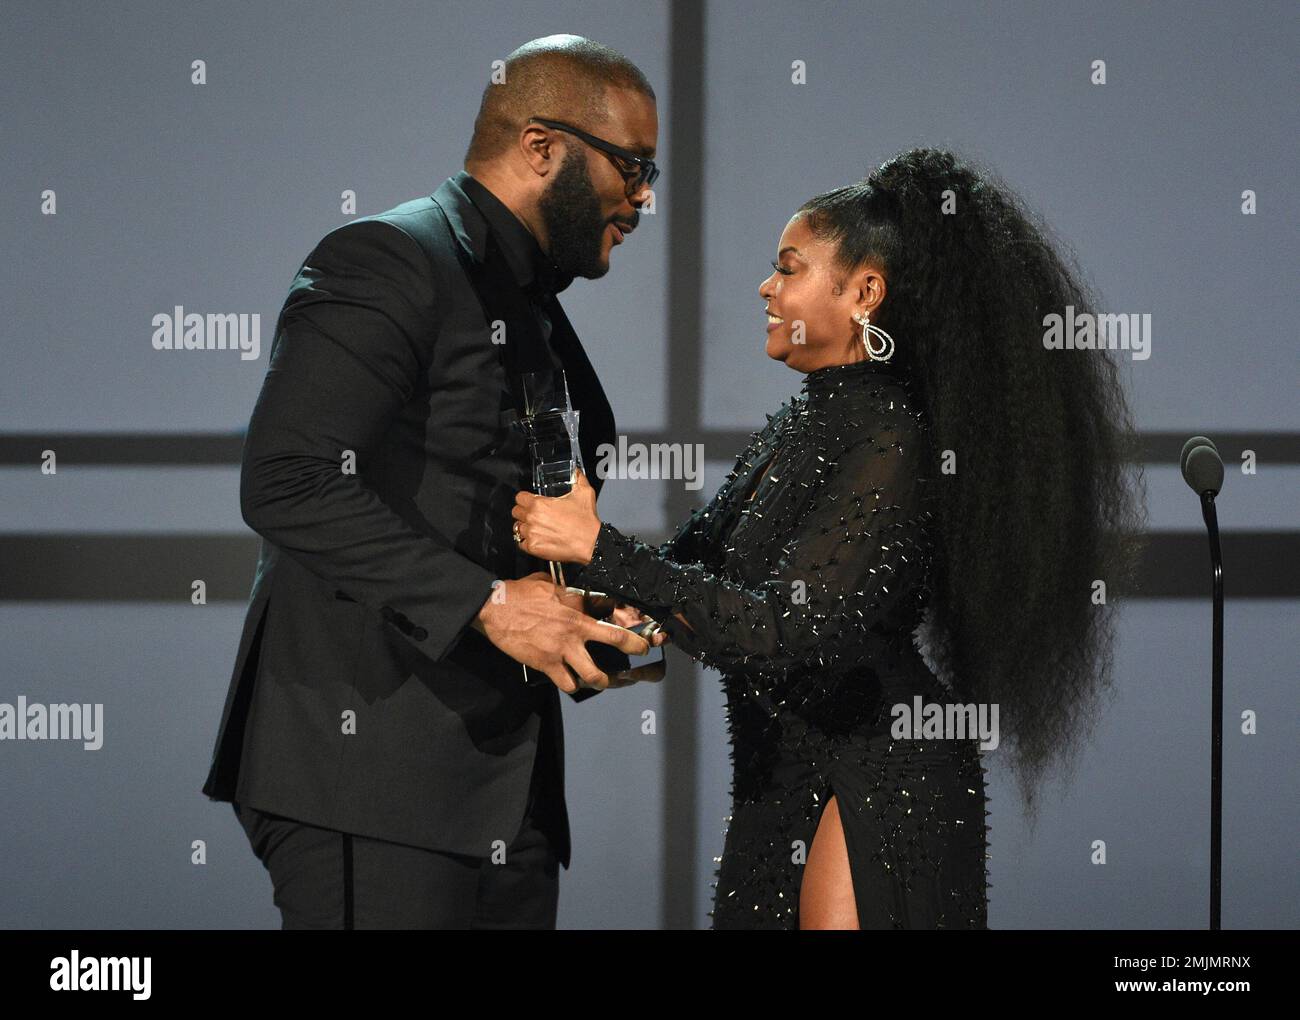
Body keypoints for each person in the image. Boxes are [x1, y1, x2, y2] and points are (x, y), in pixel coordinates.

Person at [513, 147, 1146, 930]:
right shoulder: (808, 417)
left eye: (788, 268)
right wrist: (603, 612)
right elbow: (697, 579)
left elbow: (792, 633)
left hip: (872, 785)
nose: (765, 288)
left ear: (864, 293)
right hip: (780, 787)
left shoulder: (892, 438)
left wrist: (600, 547)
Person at [200, 35, 663, 929]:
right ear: (541, 146)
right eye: (632, 166)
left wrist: (581, 611)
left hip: (507, 793)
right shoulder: (386, 261)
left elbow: (490, 514)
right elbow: (286, 481)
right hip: (370, 780)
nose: (643, 198)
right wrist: (492, 605)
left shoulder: (530, 302)